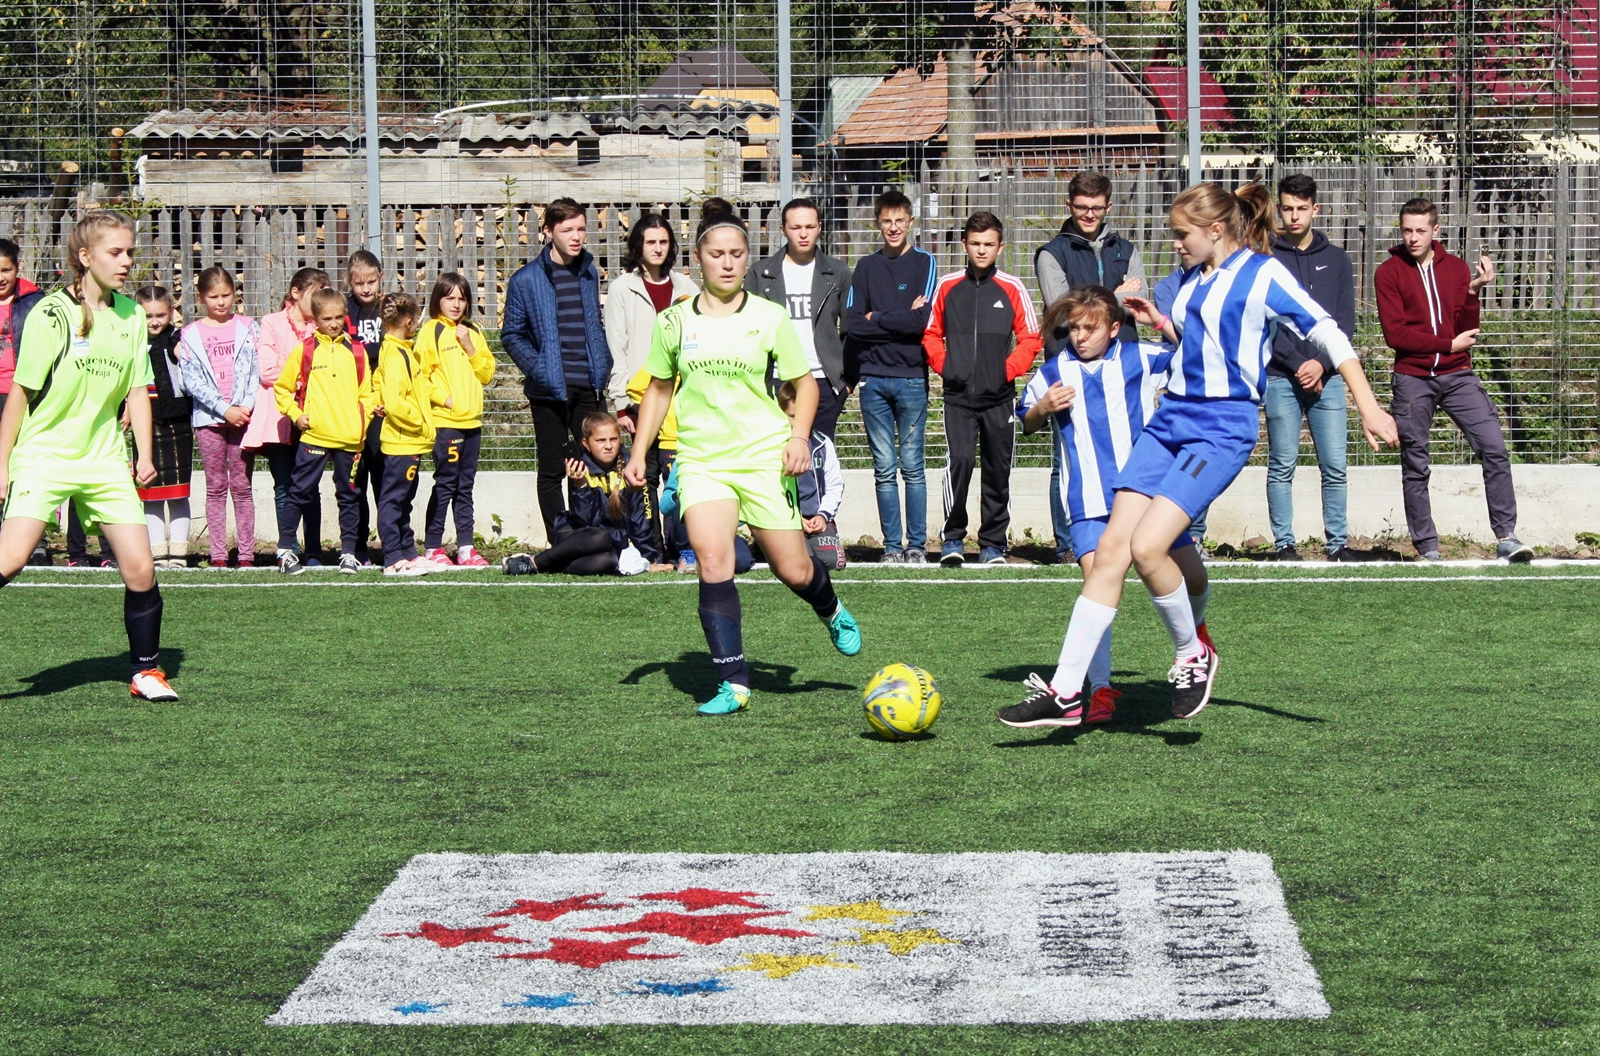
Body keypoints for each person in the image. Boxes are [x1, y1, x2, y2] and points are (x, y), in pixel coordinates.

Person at [998, 183, 1398, 728]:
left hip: (1221, 426)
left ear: (1215, 230)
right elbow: (1202, 339)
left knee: (1147, 547)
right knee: (1113, 547)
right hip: (1170, 420)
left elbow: (1326, 331)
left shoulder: (1264, 273)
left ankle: (1192, 653)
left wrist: (1368, 404)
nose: (1175, 244)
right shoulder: (1192, 276)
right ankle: (1068, 690)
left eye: (1182, 234)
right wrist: (1161, 322)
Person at [624, 204, 862, 716]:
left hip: (763, 458)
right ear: (699, 259)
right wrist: (639, 453)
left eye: (736, 254)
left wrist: (799, 438)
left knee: (795, 569)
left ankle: (830, 606)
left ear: (746, 259)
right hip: (703, 460)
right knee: (714, 561)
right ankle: (733, 682)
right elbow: (659, 390)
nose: (727, 264)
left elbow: (804, 384)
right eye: (717, 255)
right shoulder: (673, 322)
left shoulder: (768, 317)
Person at [1013, 286, 1211, 726]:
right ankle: (1098, 690)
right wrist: (1042, 409)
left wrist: (1158, 319)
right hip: (1086, 501)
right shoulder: (1052, 373)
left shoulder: (1139, 357)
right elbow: (1024, 422)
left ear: (1115, 328)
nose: (1080, 336)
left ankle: (1196, 638)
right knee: (1098, 585)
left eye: (1090, 328)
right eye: (1074, 328)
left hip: (1146, 496)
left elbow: (1194, 354)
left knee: (1193, 577)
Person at [0, 210, 177, 700]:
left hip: (103, 459)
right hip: (45, 455)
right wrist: (1, 464)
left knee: (141, 568)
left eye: (129, 253)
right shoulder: (50, 314)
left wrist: (143, 451)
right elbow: (20, 393)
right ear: (85, 256)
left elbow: (138, 390)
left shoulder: (131, 314)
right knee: (10, 559)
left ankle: (146, 671)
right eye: (115, 253)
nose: (126, 262)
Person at [1375, 197, 1529, 562]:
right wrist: (1446, 343)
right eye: (1407, 231)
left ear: (1436, 231)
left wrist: (1474, 291)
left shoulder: (1457, 269)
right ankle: (1428, 546)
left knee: (1493, 447)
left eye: (1420, 231)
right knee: (1416, 462)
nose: (1413, 238)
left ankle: (1507, 535)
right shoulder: (1389, 272)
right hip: (1412, 378)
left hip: (1458, 374)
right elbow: (1396, 335)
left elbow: (1466, 328)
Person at [1034, 172, 1147, 562]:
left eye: (1097, 208)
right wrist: (1113, 298)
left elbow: (1141, 299)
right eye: (1081, 207)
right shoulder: (1052, 252)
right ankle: (1068, 542)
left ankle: (1128, 532)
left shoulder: (1127, 249)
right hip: (1070, 364)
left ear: (1108, 207)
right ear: (1069, 205)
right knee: (1067, 453)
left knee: (1128, 449)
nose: (1089, 214)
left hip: (1121, 366)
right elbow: (1060, 311)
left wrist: (1114, 303)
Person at [924, 211, 1041, 567]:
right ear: (964, 245)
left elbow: (1031, 338)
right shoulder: (947, 286)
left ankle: (993, 543)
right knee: (958, 463)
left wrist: (1004, 371)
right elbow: (930, 334)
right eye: (975, 244)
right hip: (958, 397)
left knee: (997, 467)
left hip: (999, 397)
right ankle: (953, 539)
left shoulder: (1012, 287)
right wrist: (948, 367)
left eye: (989, 244)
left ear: (1000, 247)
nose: (981, 250)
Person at [502, 197, 613, 539]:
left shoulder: (589, 273)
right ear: (549, 232)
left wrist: (603, 360)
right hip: (549, 390)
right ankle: (561, 540)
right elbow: (512, 334)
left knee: (596, 465)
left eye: (581, 229)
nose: (576, 236)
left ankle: (596, 533)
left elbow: (592, 322)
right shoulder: (526, 280)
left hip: (588, 384)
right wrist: (540, 368)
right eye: (568, 230)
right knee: (553, 470)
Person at [1266, 175, 1357, 562]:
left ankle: (1337, 544)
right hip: (1280, 376)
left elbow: (1344, 323)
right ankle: (1284, 544)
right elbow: (1266, 323)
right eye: (1287, 208)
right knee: (1282, 463)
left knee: (1334, 465)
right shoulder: (1265, 258)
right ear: (1278, 210)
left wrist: (1321, 364)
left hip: (1329, 377)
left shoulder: (1337, 259)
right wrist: (1297, 362)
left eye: (1302, 208)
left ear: (1315, 209)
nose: (1294, 216)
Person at [845, 189, 937, 563]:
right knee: (884, 468)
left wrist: (877, 317)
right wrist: (895, 320)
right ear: (878, 224)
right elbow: (852, 324)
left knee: (912, 466)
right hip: (873, 379)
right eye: (887, 221)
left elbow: (922, 321)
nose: (894, 227)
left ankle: (916, 546)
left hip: (911, 377)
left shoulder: (925, 263)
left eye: (901, 221)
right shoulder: (865, 268)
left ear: (911, 223)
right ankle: (892, 547)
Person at [605, 212, 697, 558]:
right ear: (638, 247)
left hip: (682, 399)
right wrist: (620, 403)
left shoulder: (688, 289)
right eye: (651, 242)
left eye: (664, 242)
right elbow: (618, 347)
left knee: (681, 472)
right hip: (640, 397)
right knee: (645, 475)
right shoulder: (622, 288)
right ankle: (651, 549)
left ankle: (683, 546)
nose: (658, 248)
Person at [273, 287, 375, 575]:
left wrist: (361, 423)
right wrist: (296, 414)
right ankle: (285, 551)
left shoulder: (356, 351)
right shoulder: (305, 350)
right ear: (314, 319)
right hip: (315, 436)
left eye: (339, 317)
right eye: (327, 318)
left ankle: (348, 553)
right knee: (300, 491)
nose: (334, 323)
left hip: (349, 439)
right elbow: (282, 388)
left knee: (349, 496)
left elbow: (367, 393)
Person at [505, 411, 669, 576]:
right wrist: (580, 485)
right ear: (586, 443)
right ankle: (535, 561)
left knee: (609, 561)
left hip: (610, 543)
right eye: (600, 440)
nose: (608, 446)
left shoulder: (630, 468)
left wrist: (650, 560)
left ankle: (549, 565)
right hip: (579, 536)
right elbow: (585, 522)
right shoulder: (580, 470)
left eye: (613, 439)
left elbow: (640, 520)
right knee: (600, 536)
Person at [749, 198, 854, 441]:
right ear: (783, 230)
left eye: (809, 227)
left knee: (818, 457)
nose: (803, 234)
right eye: (796, 228)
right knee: (776, 456)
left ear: (819, 227)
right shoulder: (761, 273)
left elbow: (851, 328)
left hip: (823, 381)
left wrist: (846, 382)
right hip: (776, 379)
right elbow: (750, 331)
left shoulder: (837, 272)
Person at [179, 265, 258, 567]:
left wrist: (245, 406)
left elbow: (256, 371)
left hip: (243, 420)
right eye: (214, 296)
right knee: (215, 487)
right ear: (201, 297)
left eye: (227, 295)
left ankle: (247, 555)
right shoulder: (190, 335)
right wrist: (224, 409)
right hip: (209, 421)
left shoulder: (249, 328)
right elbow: (192, 381)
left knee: (242, 485)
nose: (221, 302)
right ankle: (218, 555)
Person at [415, 272, 496, 567]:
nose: (456, 304)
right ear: (438, 299)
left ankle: (466, 547)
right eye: (449, 297)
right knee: (446, 483)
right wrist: (445, 399)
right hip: (446, 423)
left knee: (465, 486)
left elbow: (486, 374)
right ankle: (433, 547)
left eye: (461, 298)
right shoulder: (431, 331)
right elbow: (420, 377)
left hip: (472, 423)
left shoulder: (472, 332)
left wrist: (471, 349)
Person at [248, 267, 327, 565]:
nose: (320, 301)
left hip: (312, 418)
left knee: (311, 488)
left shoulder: (319, 328)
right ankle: (288, 549)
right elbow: (267, 371)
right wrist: (299, 374)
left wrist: (293, 370)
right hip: (279, 418)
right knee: (284, 485)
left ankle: (315, 551)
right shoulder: (270, 323)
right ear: (295, 292)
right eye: (315, 293)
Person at [370, 293, 440, 577]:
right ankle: (392, 558)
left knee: (404, 499)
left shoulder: (399, 349)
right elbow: (397, 402)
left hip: (409, 441)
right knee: (393, 500)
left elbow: (380, 384)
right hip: (402, 441)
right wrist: (420, 424)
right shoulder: (396, 354)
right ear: (409, 321)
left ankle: (408, 551)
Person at [134, 286, 192, 568]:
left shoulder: (178, 339)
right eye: (147, 316)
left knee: (179, 491)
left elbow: (191, 370)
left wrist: (181, 352)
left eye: (160, 315)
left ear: (171, 313)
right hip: (145, 422)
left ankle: (179, 554)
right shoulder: (131, 341)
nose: (154, 321)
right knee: (150, 491)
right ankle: (157, 554)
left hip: (177, 418)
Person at [0, 239, 49, 566]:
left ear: (18, 269)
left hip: (20, 394)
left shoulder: (36, 302)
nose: (0, 277)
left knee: (25, 467)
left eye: (6, 270)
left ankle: (34, 541)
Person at [345, 249, 387, 565]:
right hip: (353, 406)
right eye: (359, 283)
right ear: (350, 282)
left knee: (384, 479)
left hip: (383, 407)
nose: (366, 289)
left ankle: (392, 545)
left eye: (371, 281)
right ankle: (358, 547)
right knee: (355, 479)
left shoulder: (389, 309)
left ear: (380, 278)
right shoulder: (343, 312)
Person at [777, 381, 845, 571]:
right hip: (786, 520)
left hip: (816, 518)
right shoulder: (773, 447)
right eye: (791, 416)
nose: (797, 422)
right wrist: (795, 519)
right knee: (799, 563)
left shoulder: (823, 445)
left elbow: (835, 485)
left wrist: (823, 516)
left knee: (833, 562)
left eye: (802, 416)